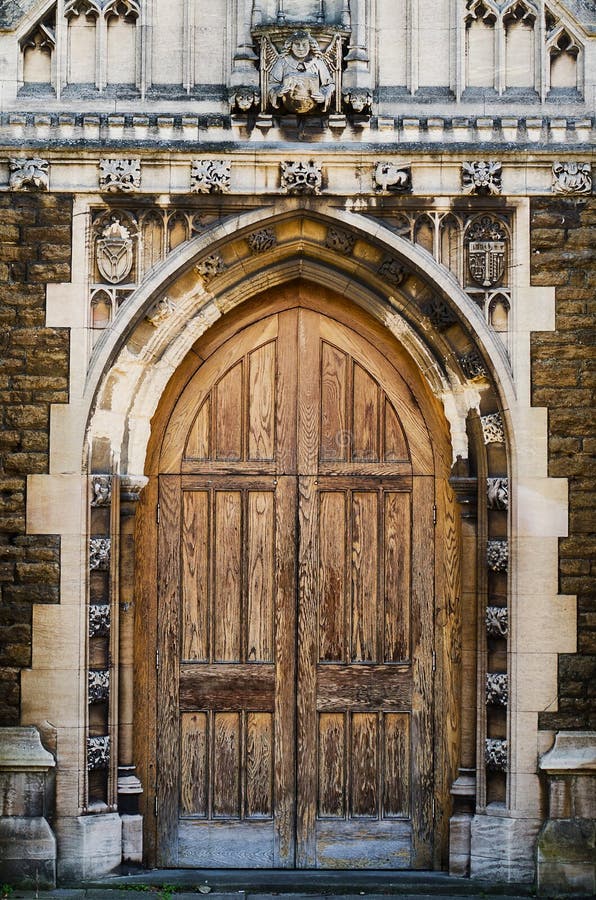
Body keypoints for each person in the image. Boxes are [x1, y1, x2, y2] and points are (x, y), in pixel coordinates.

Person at [269, 30, 335, 114]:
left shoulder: (317, 62)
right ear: (291, 46)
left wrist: (324, 96)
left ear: (310, 46)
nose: (301, 48)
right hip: (287, 109)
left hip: (313, 108)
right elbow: (271, 84)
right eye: (297, 44)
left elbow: (329, 85)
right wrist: (278, 91)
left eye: (304, 44)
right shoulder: (282, 62)